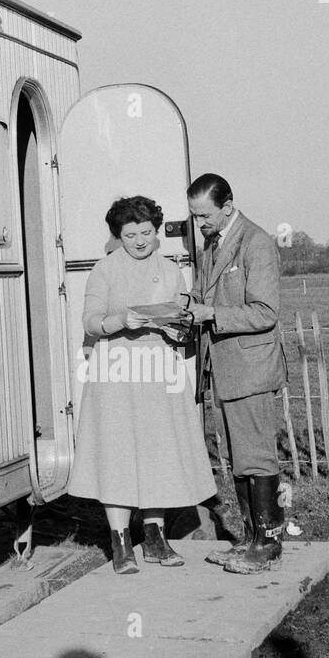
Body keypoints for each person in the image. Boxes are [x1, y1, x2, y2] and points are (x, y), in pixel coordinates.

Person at [66, 195, 217, 574]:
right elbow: (90, 321)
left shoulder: (170, 271)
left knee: (159, 452)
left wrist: (177, 324)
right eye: (130, 234)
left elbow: (184, 321)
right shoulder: (104, 269)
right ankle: (120, 544)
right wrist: (121, 320)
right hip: (117, 369)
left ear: (156, 232)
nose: (139, 241)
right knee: (117, 454)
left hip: (158, 367)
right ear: (118, 235)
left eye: (146, 233)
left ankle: (155, 537)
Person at [185, 173, 288, 574]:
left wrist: (212, 314)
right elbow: (204, 294)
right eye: (195, 217)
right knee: (237, 457)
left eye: (204, 216)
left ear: (228, 207)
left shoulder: (257, 243)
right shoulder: (214, 244)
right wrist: (189, 306)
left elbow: (265, 312)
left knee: (257, 458)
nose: (199, 224)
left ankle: (268, 544)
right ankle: (249, 539)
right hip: (225, 369)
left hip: (251, 370)